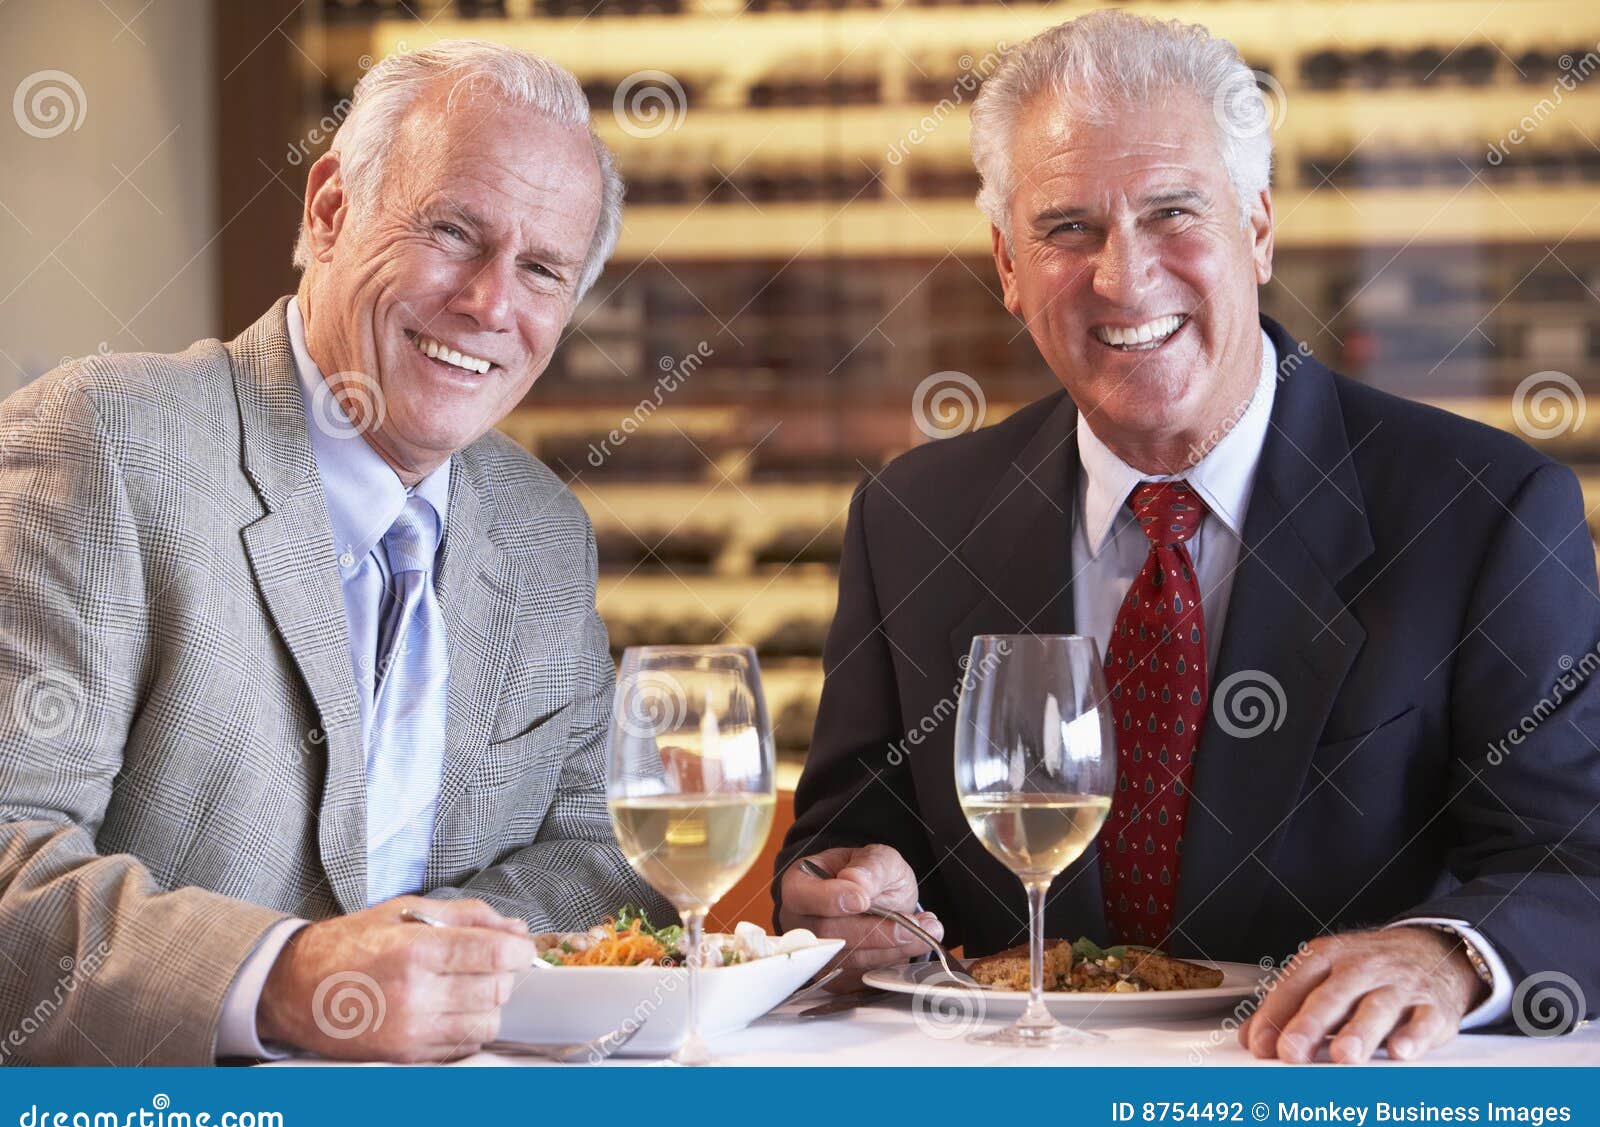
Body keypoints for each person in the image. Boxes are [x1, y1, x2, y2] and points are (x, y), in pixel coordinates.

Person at [775, 10, 1600, 1063]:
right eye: (1066, 227)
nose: (1124, 277)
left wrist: (1443, 958)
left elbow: (1573, 865)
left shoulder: (1481, 508)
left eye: (1172, 212)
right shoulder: (913, 518)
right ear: (1006, 264)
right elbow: (839, 845)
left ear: (1257, 226)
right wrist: (838, 898)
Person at [0, 40, 670, 1067]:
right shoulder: (103, 440)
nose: (491, 304)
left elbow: (600, 849)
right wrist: (290, 974)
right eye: (453, 231)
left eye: (541, 270)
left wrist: (432, 964)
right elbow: (12, 857)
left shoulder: (541, 529)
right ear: (327, 211)